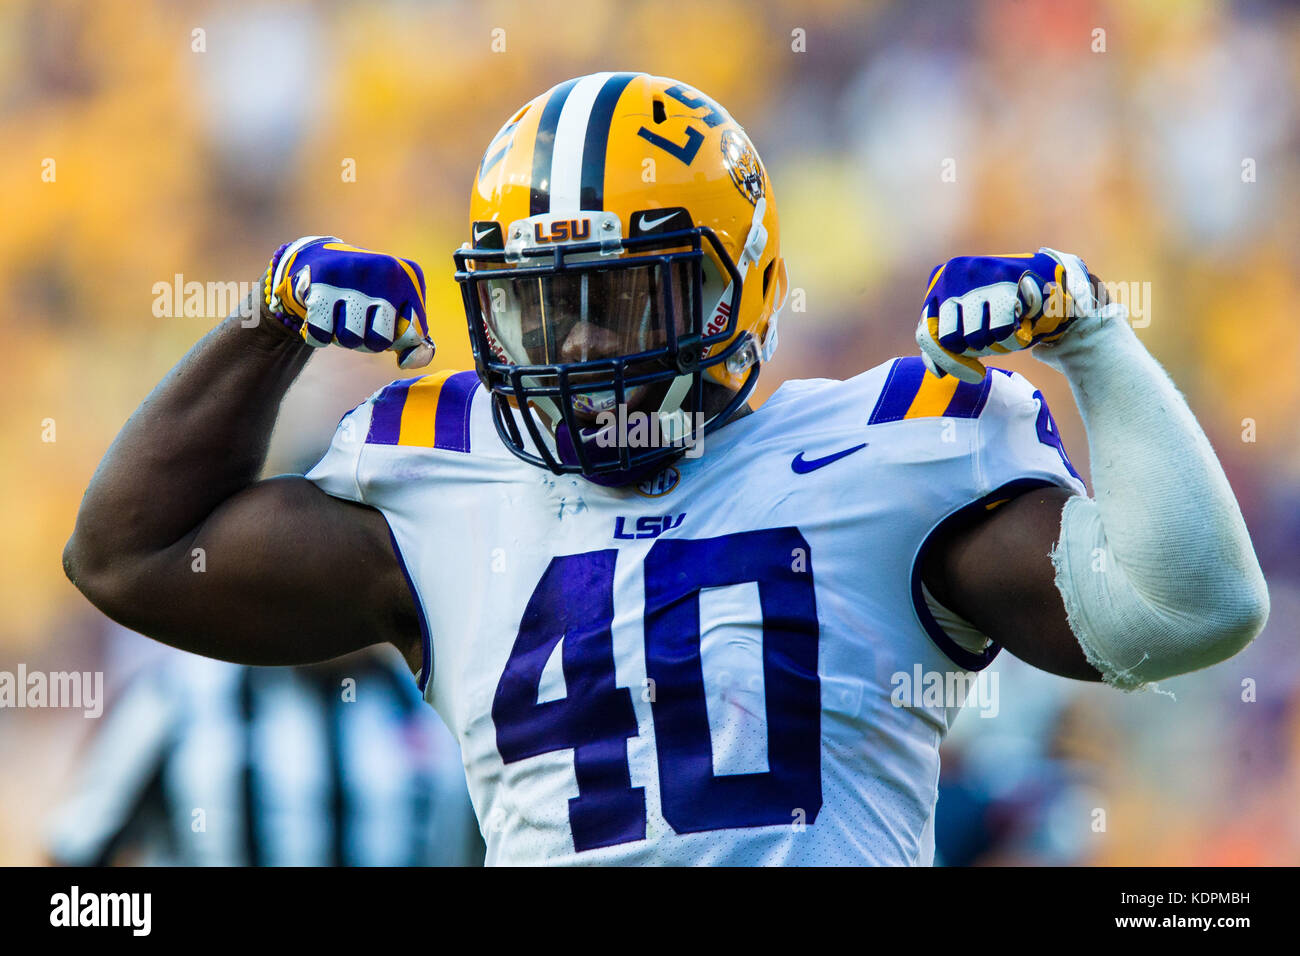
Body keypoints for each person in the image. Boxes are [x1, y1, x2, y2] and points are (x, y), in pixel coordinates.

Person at [63, 72, 1268, 865]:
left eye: (621, 294)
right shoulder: (445, 489)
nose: (580, 344)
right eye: (544, 305)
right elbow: (127, 553)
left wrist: (1090, 339)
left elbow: (1190, 608)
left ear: (732, 285)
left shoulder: (882, 455)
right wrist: (266, 322)